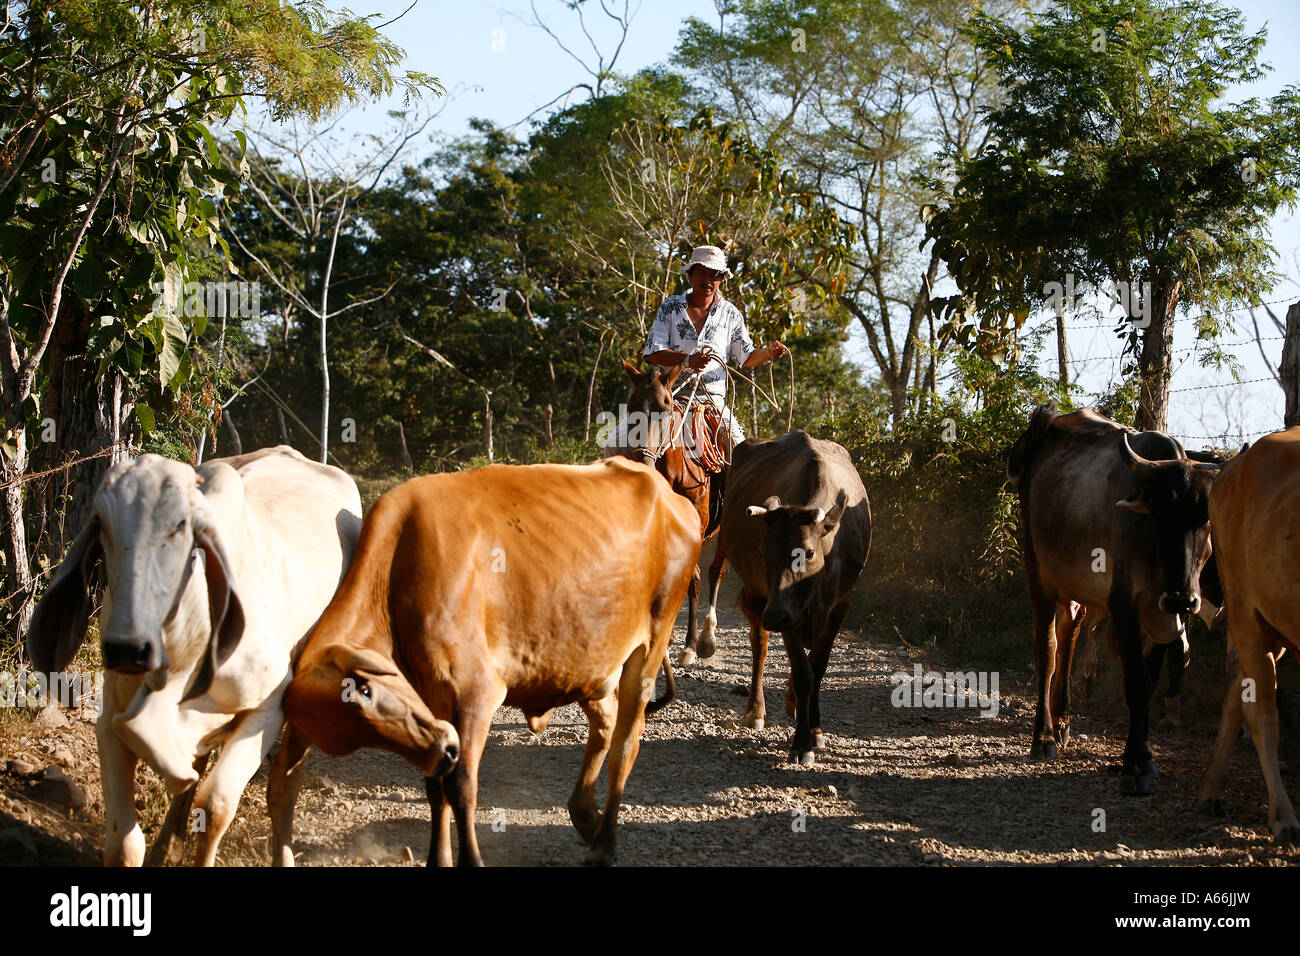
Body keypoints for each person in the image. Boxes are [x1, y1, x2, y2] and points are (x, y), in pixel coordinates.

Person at [643, 245, 787, 448]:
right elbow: (653, 353)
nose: (708, 280)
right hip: (670, 397)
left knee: (740, 454)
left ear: (721, 279)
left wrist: (768, 353)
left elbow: (747, 357)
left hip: (714, 403)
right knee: (626, 442)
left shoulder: (731, 313)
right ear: (691, 274)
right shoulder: (670, 307)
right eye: (702, 272)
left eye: (715, 275)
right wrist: (688, 360)